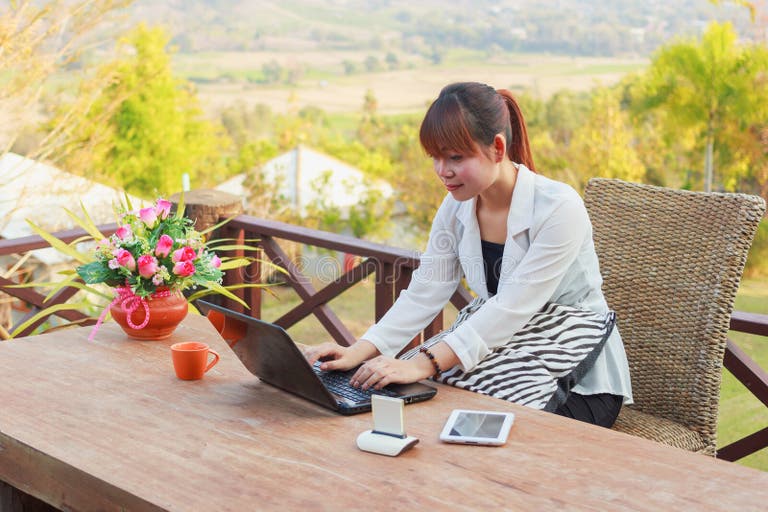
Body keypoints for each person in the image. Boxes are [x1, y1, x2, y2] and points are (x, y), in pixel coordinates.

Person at [306, 82, 632, 427]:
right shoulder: (456, 208)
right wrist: (359, 350)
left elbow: (512, 307)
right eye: (435, 157)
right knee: (403, 401)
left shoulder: (559, 208)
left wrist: (423, 362)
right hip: (502, 351)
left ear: (497, 147)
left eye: (455, 157)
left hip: (578, 380)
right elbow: (424, 292)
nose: (442, 170)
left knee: (454, 418)